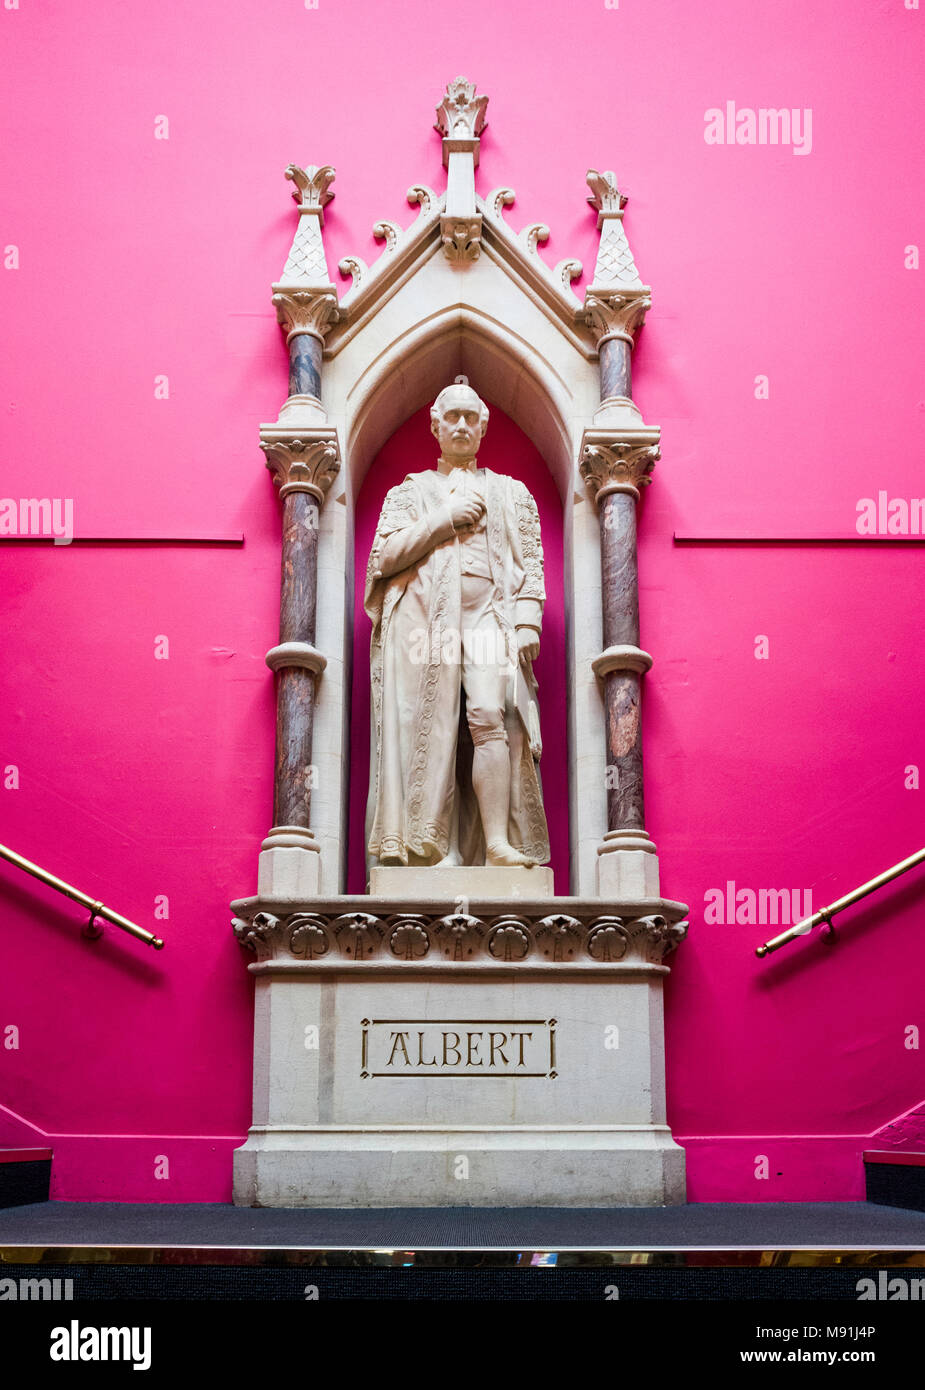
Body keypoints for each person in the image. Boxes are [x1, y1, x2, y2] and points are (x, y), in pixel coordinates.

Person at [365, 377, 550, 869]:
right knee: (436, 725)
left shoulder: (510, 493)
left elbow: (529, 558)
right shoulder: (411, 493)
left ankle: (496, 844)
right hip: (427, 621)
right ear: (435, 426)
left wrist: (529, 616)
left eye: (472, 417)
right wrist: (443, 518)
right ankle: (435, 848)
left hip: (490, 612)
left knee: (491, 716)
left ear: (484, 427)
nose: (463, 424)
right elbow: (384, 557)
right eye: (453, 417)